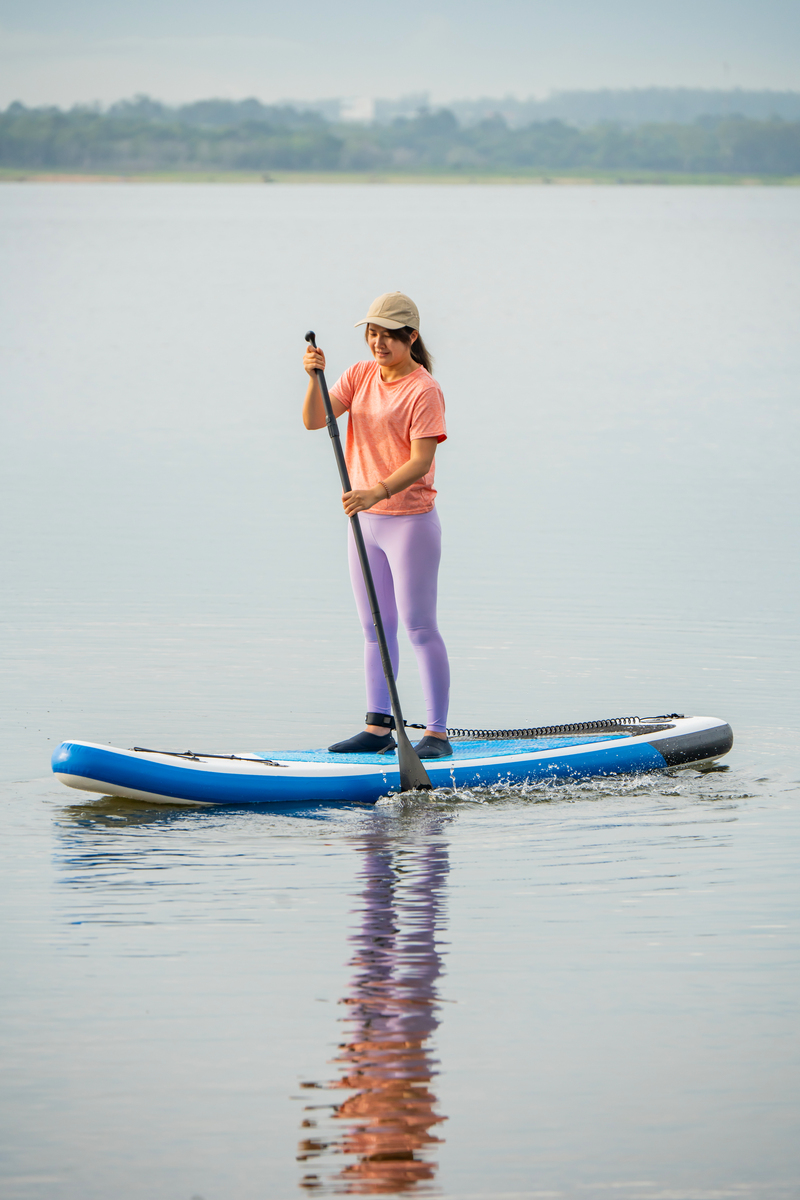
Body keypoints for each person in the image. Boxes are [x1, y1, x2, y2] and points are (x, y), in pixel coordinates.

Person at [302, 291, 452, 759]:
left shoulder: (423, 390)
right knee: (374, 629)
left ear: (411, 337)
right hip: (364, 523)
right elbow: (314, 420)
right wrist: (313, 378)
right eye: (372, 333)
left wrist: (377, 491)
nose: (378, 343)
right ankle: (378, 727)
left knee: (419, 626)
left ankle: (437, 735)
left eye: (388, 335)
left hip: (410, 523)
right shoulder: (359, 375)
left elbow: (421, 460)